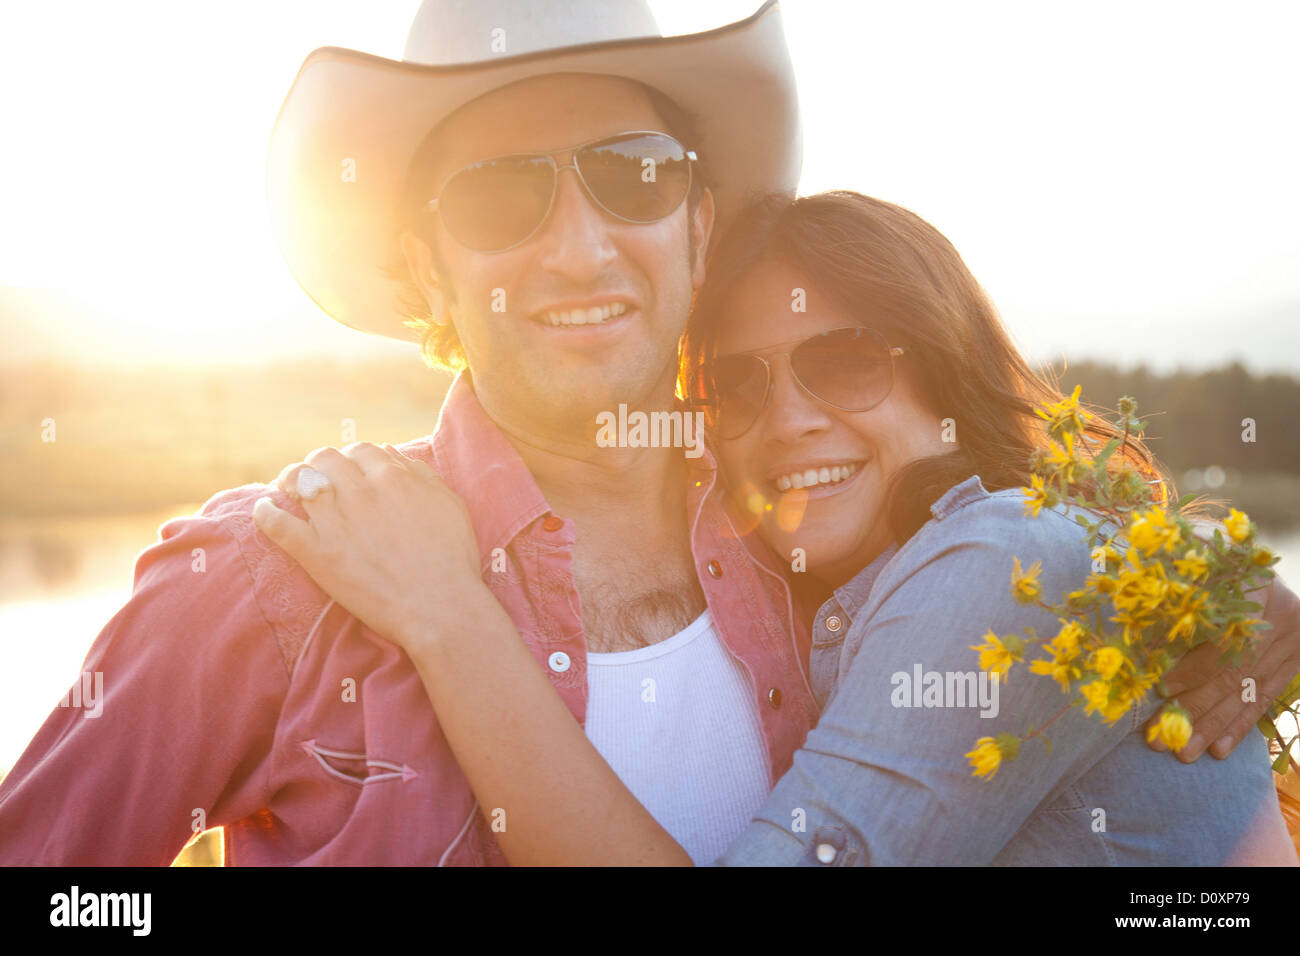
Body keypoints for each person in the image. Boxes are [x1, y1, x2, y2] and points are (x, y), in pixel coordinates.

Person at [0, 0, 1294, 866]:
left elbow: (1041, 582)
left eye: (633, 174)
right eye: (503, 196)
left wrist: (1243, 602)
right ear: (424, 270)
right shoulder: (271, 578)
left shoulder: (817, 562)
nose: (578, 244)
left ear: (698, 228)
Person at [254, 191, 1300, 865]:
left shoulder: (998, 565)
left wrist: (446, 614)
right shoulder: (818, 589)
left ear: (942, 367)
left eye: (847, 358)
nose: (790, 415)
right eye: (738, 383)